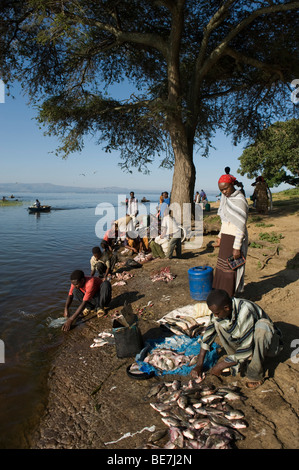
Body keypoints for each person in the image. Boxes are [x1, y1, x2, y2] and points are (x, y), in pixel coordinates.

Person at [191, 289, 283, 389]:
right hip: (245, 341)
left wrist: (220, 365)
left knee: (262, 328)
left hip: (269, 346)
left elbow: (247, 348)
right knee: (218, 324)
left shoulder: (245, 310)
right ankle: (238, 359)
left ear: (226, 308)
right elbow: (207, 336)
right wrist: (199, 364)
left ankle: (255, 374)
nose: (215, 315)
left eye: (217, 313)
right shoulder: (220, 312)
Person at [213, 174, 248, 297]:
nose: (224, 192)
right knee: (222, 267)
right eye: (221, 190)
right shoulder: (225, 199)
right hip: (226, 237)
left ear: (232, 185)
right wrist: (219, 236)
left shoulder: (240, 200)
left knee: (230, 269)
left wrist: (237, 247)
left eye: (226, 188)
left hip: (234, 238)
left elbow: (241, 226)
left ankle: (230, 294)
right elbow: (224, 221)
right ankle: (221, 293)